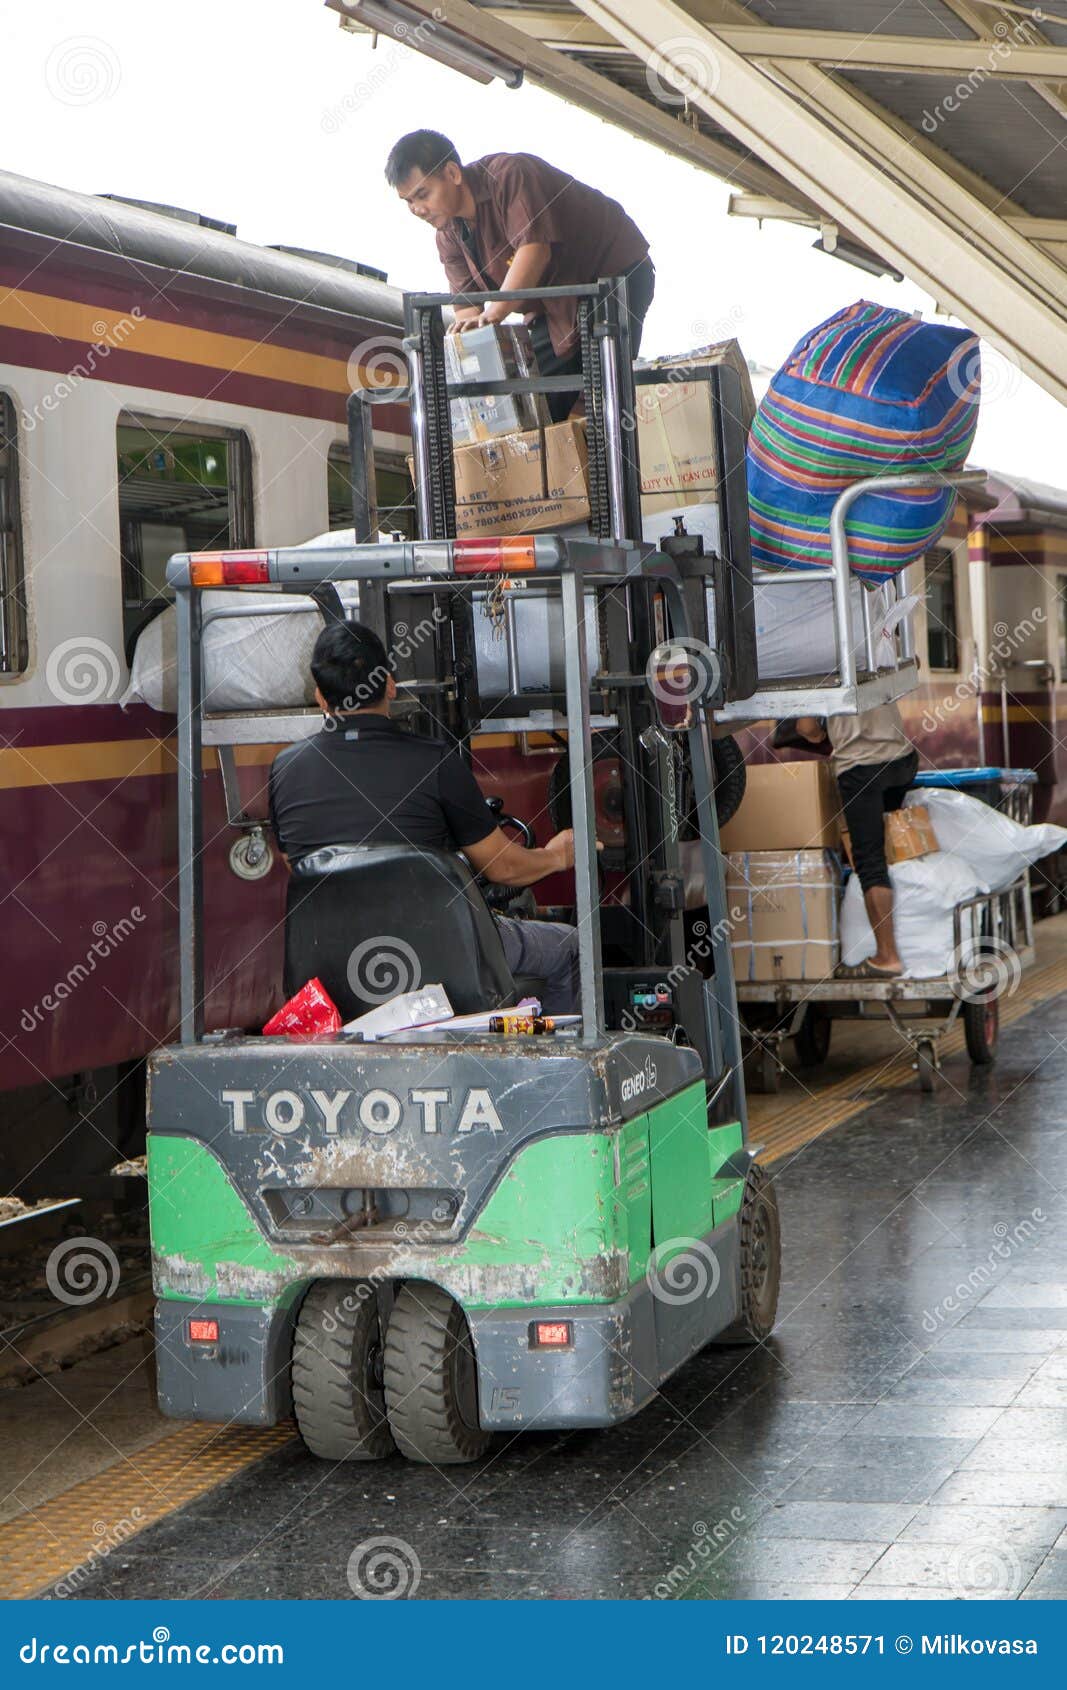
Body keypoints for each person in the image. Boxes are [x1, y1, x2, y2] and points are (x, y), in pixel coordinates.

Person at [269, 621, 581, 1013]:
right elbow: (503, 868)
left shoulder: (285, 769)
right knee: (570, 947)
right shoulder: (434, 760)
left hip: (333, 972)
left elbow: (300, 866)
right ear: (389, 685)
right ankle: (552, 1072)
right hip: (439, 955)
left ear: (319, 697)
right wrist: (558, 856)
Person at [385, 130, 655, 422]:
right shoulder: (448, 237)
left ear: (452, 173)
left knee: (602, 400)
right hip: (552, 311)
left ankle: (609, 450)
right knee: (535, 409)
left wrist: (494, 314)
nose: (418, 210)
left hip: (613, 275)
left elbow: (535, 250)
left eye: (423, 195)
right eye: (408, 201)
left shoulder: (509, 176)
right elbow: (466, 309)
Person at [793, 703, 918, 979]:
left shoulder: (817, 660)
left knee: (870, 862)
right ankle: (914, 935)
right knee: (895, 849)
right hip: (902, 758)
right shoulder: (880, 655)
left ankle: (888, 956)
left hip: (861, 767)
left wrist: (820, 735)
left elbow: (806, 727)